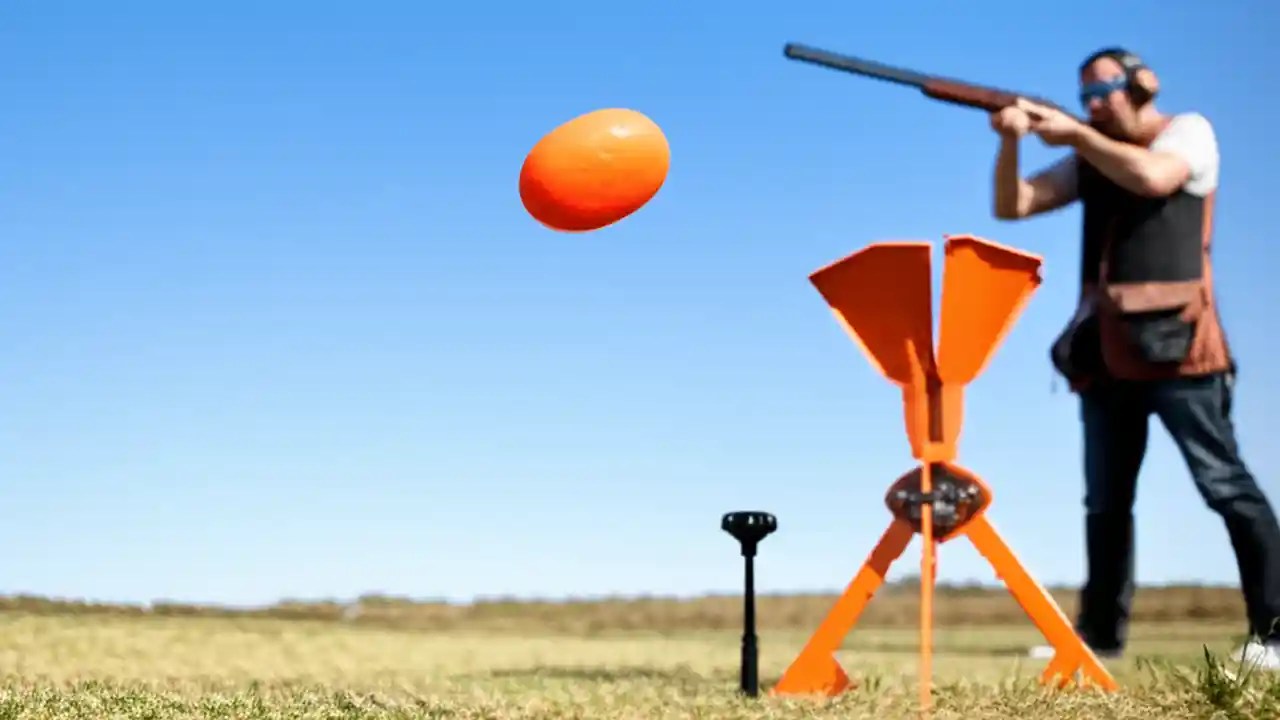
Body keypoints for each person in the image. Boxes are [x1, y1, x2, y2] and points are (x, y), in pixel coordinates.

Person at [988, 47, 1280, 670]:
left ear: (1143, 85)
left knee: (1226, 486)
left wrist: (1075, 134)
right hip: (1107, 353)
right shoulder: (1091, 156)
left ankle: (1275, 632)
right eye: (1085, 97)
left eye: (1106, 90)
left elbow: (1155, 178)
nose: (1094, 105)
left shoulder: (1188, 133)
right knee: (1105, 504)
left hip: (1182, 350)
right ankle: (1099, 638)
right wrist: (1011, 140)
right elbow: (1014, 205)